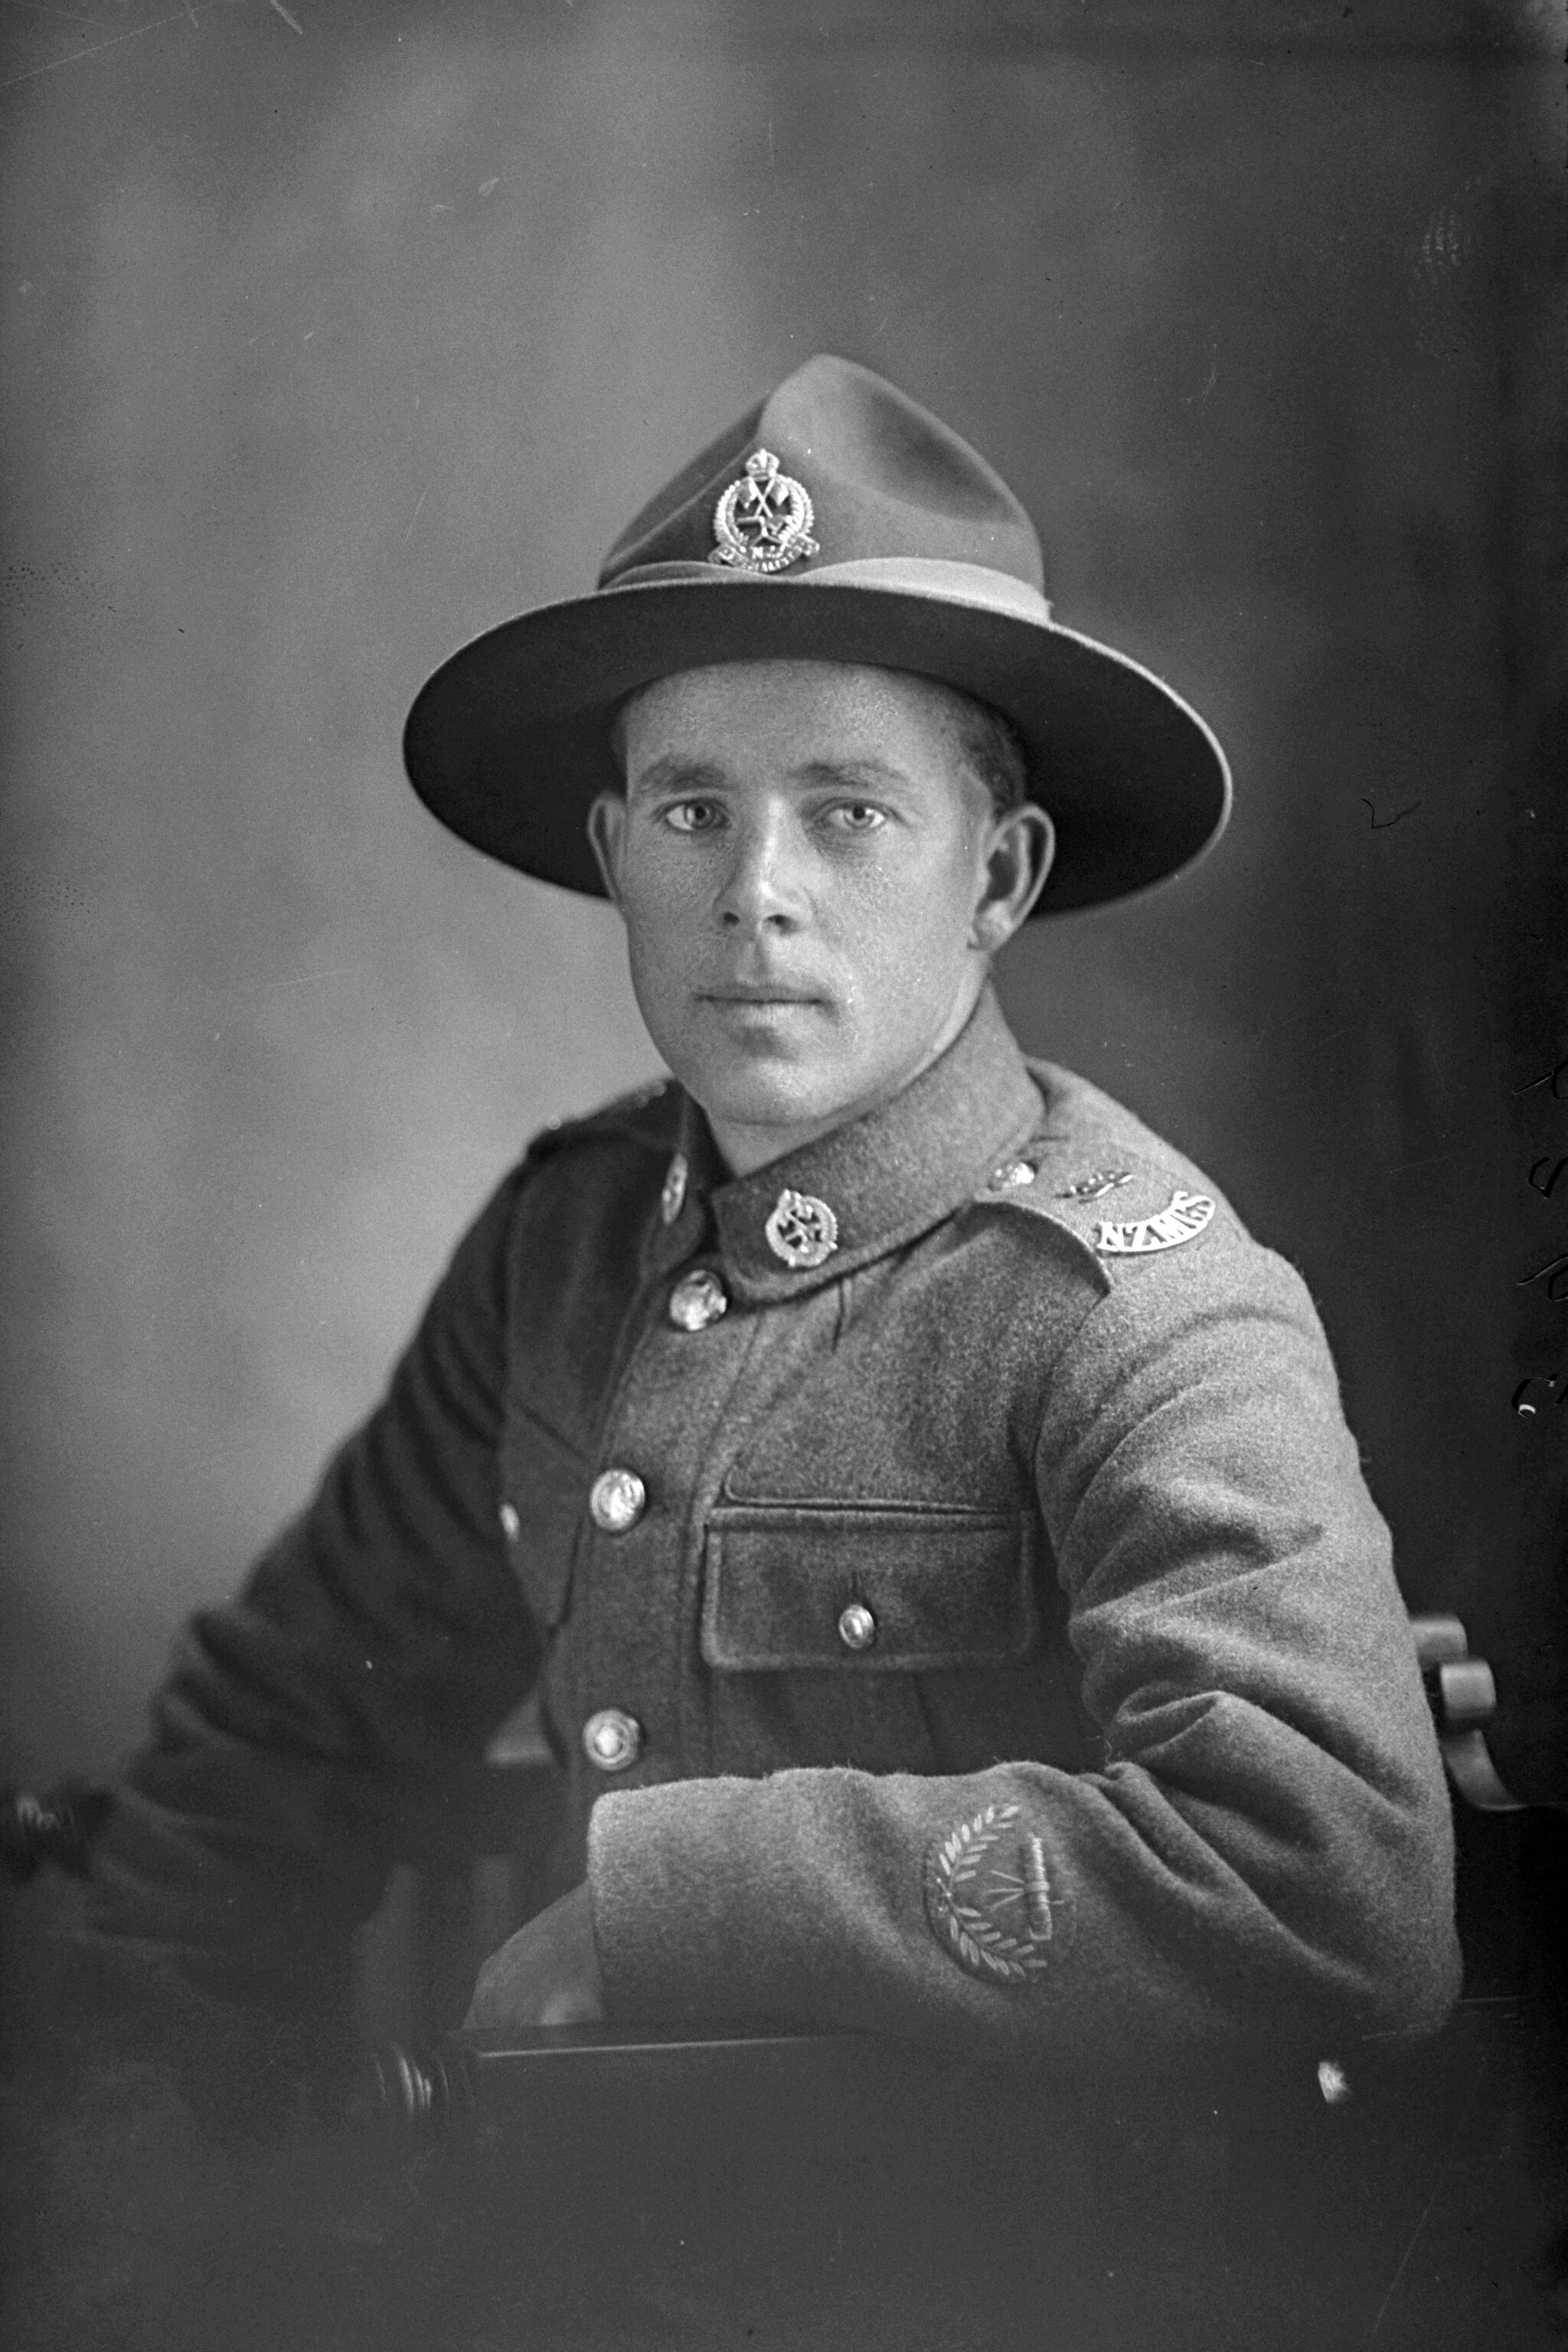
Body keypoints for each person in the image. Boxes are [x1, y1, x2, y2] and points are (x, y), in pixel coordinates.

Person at [82, 354, 1459, 2114]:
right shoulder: (563, 1246)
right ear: (612, 850)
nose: (754, 890)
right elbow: (279, 1741)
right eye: (690, 810)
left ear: (997, 879)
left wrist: (670, 1912)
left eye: (849, 812)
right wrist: (140, 2187)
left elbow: (1334, 1891)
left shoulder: (1140, 1304)